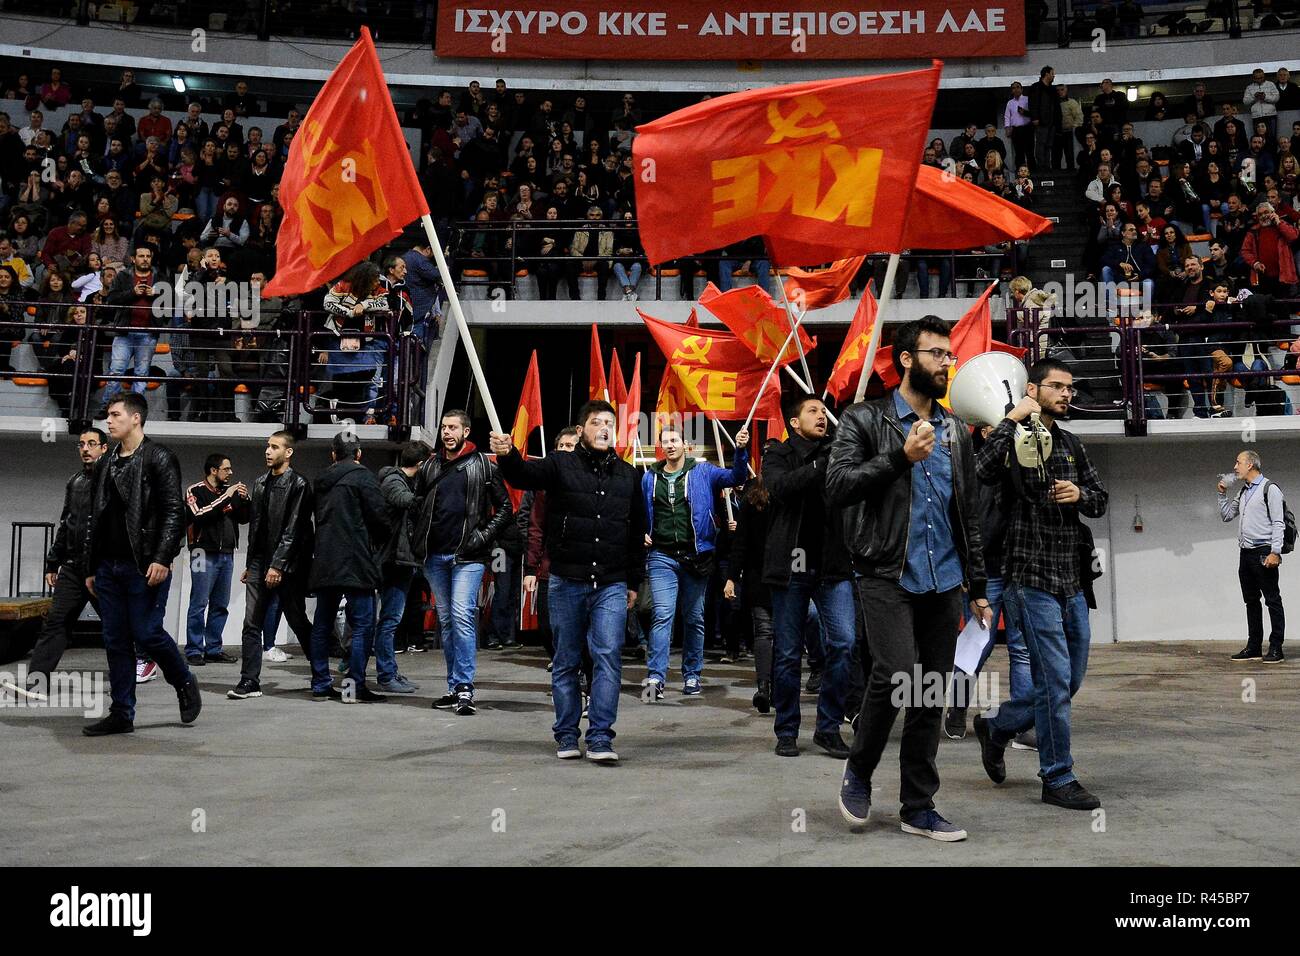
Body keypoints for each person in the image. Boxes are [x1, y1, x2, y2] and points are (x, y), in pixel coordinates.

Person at [825, 318, 989, 841]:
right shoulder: (864, 418)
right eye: (936, 354)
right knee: (896, 675)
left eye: (948, 354)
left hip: (944, 578)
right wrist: (899, 458)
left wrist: (979, 584)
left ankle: (918, 805)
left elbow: (968, 512)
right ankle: (859, 770)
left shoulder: (955, 429)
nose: (947, 363)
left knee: (930, 689)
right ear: (905, 359)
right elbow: (838, 487)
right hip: (884, 570)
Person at [972, 358, 1110, 811]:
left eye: (1071, 388)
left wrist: (1080, 495)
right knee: (1054, 680)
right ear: (1034, 389)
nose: (1067, 394)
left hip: (1070, 577)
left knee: (1068, 681)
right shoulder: (1008, 437)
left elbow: (1100, 499)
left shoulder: (1071, 442)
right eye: (1057, 386)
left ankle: (996, 725)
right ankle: (1057, 776)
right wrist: (1011, 418)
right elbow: (980, 472)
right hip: (1029, 576)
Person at [490, 401, 646, 763]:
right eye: (597, 422)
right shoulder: (559, 465)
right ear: (581, 431)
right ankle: (565, 734)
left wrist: (634, 581)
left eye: (610, 422)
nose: (605, 428)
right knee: (566, 660)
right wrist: (508, 454)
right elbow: (522, 477)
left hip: (611, 582)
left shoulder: (629, 476)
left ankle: (602, 738)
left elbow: (637, 531)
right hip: (566, 579)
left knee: (608, 657)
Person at [81, 393, 201, 736]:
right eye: (108, 414)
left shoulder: (159, 457)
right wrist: (91, 567)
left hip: (143, 564)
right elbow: (96, 518)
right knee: (115, 640)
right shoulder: (105, 463)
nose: (109, 420)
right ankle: (122, 713)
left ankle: (182, 680)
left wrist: (163, 557)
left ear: (136, 418)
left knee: (147, 632)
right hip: (108, 567)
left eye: (115, 414)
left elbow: (174, 513)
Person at [761, 395, 854, 760]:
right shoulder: (778, 455)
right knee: (786, 654)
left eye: (824, 412)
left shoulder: (836, 453)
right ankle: (786, 729)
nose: (822, 416)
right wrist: (822, 463)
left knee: (844, 644)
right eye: (813, 411)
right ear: (794, 423)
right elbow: (780, 489)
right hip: (790, 567)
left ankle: (828, 728)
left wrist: (838, 456)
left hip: (833, 565)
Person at [412, 409, 513, 715]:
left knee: (461, 615)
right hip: (435, 556)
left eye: (453, 427)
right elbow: (417, 506)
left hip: (468, 556)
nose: (447, 432)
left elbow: (506, 507)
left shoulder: (484, 464)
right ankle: (454, 686)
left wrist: (481, 537)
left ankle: (466, 686)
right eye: (444, 427)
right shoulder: (429, 465)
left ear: (466, 432)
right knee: (446, 621)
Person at [640, 423, 750, 700]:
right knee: (662, 615)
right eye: (665, 441)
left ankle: (692, 675)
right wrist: (642, 531)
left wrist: (740, 450)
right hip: (661, 556)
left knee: (694, 618)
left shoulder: (704, 471)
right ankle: (655, 677)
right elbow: (641, 511)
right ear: (660, 447)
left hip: (697, 557)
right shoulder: (649, 478)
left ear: (686, 445)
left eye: (675, 440)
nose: (670, 445)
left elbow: (737, 476)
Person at [2, 431, 108, 699]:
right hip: (73, 568)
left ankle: (130, 681)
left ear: (104, 449)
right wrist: (53, 562)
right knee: (56, 623)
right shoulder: (74, 482)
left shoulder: (113, 482)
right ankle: (37, 685)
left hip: (102, 569)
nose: (85, 449)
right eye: (81, 444)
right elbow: (67, 523)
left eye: (92, 444)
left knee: (118, 629)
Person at [226, 431, 316, 700]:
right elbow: (257, 526)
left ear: (288, 453)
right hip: (259, 563)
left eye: (275, 447)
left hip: (286, 566)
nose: (268, 451)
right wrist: (252, 563)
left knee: (297, 620)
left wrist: (277, 565)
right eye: (267, 446)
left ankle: (320, 673)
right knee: (251, 623)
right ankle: (249, 681)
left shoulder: (299, 484)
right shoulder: (260, 482)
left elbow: (294, 529)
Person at [306, 431, 391, 703]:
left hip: (325, 561)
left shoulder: (320, 480)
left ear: (333, 454)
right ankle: (354, 688)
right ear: (358, 454)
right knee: (363, 625)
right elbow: (380, 520)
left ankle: (320, 686)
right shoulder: (365, 477)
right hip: (357, 562)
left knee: (321, 625)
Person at [1218, 451, 1287, 663]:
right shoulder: (1243, 492)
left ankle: (1276, 647)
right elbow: (1227, 516)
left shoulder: (1270, 489)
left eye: (1238, 462)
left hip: (1263, 552)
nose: (1235, 466)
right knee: (1251, 601)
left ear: (1250, 465)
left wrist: (1275, 551)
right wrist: (1221, 494)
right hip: (1245, 553)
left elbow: (1278, 522)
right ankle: (1254, 646)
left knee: (1272, 600)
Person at [183, 454, 250, 664]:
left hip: (226, 553)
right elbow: (200, 515)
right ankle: (194, 650)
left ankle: (213, 648)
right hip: (202, 552)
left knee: (220, 604)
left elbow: (245, 518)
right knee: (199, 602)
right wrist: (227, 496)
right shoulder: (195, 490)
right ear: (214, 470)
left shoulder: (227, 492)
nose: (230, 473)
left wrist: (245, 499)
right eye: (226, 469)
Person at [373, 441, 429, 695]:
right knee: (389, 620)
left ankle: (387, 670)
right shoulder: (394, 481)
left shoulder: (401, 481)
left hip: (399, 560)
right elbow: (403, 500)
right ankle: (386, 674)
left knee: (386, 619)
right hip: (393, 561)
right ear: (421, 465)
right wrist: (426, 500)